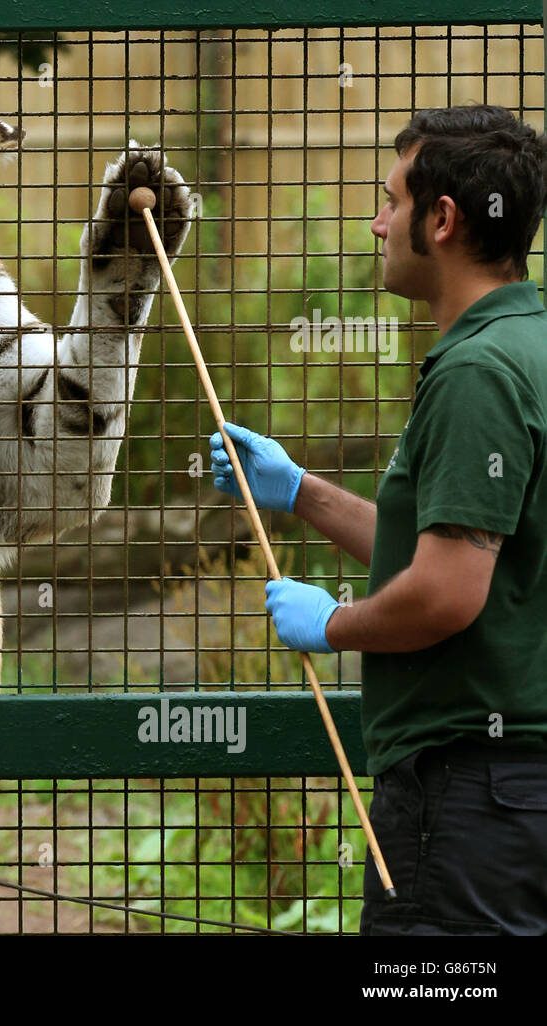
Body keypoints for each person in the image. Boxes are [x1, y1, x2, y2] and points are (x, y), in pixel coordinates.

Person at [210, 105, 547, 935]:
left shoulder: (479, 372)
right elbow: (468, 549)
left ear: (442, 220)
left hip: (467, 802)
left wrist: (334, 625)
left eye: (391, 201)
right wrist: (300, 492)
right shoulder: (529, 344)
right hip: (515, 800)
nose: (375, 223)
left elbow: (446, 593)